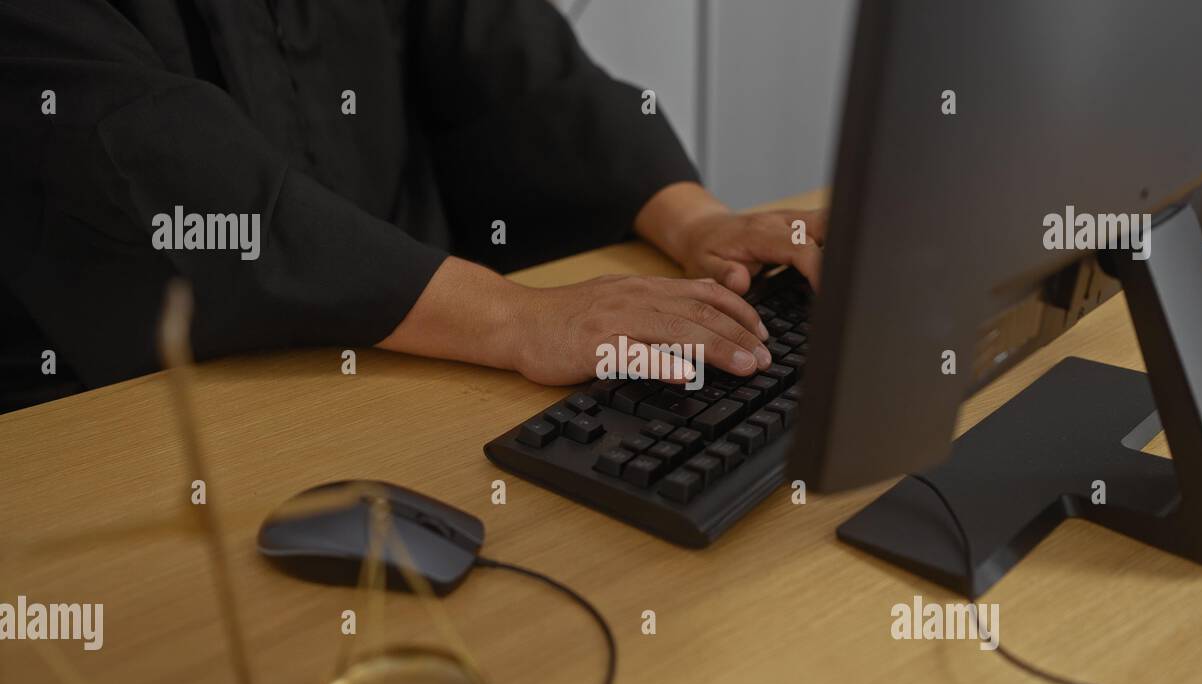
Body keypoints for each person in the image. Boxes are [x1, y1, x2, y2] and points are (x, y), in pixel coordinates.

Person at [0, 0, 825, 413]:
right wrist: (515, 319)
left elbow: (506, 55)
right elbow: (142, 160)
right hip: (135, 403)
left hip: (416, 355)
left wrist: (696, 223)